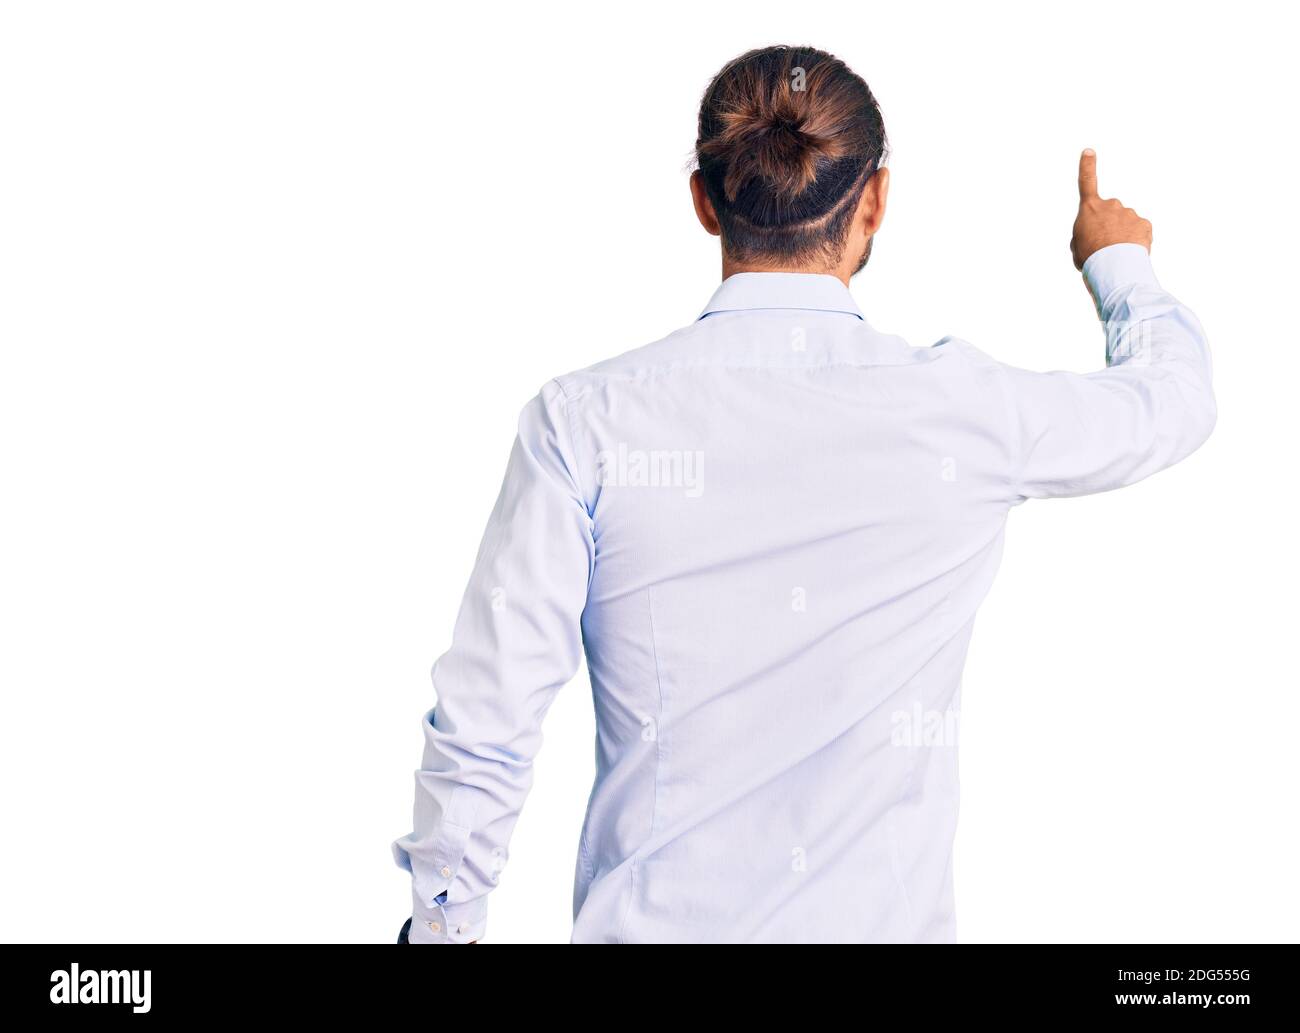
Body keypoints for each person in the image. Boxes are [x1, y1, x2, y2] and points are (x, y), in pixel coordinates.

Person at [392, 44, 1215, 944]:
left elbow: (487, 717)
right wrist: (1119, 263)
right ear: (876, 201)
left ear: (704, 204)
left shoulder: (583, 425)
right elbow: (1171, 406)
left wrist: (441, 928)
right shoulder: (967, 416)